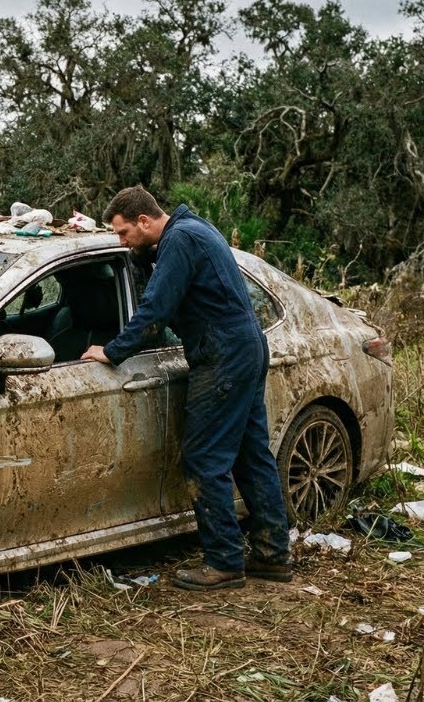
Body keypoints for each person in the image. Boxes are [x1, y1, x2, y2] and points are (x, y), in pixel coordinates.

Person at [81, 186, 291, 591]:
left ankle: (225, 562)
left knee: (204, 458)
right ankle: (272, 555)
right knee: (251, 454)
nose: (122, 242)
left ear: (144, 220)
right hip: (244, 346)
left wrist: (112, 351)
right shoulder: (191, 228)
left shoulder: (179, 240)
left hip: (222, 354)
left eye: (124, 233)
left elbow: (156, 309)